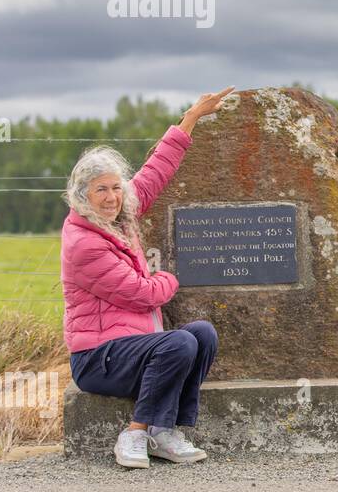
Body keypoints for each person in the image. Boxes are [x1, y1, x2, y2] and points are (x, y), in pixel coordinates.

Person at [61, 88, 234, 469]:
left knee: (201, 334)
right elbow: (142, 295)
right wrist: (169, 279)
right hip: (97, 358)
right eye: (100, 190)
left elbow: (156, 170)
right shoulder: (83, 243)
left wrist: (191, 117)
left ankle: (165, 431)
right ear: (82, 197)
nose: (111, 196)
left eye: (115, 187)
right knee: (178, 345)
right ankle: (135, 433)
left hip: (134, 348)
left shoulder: (120, 215)